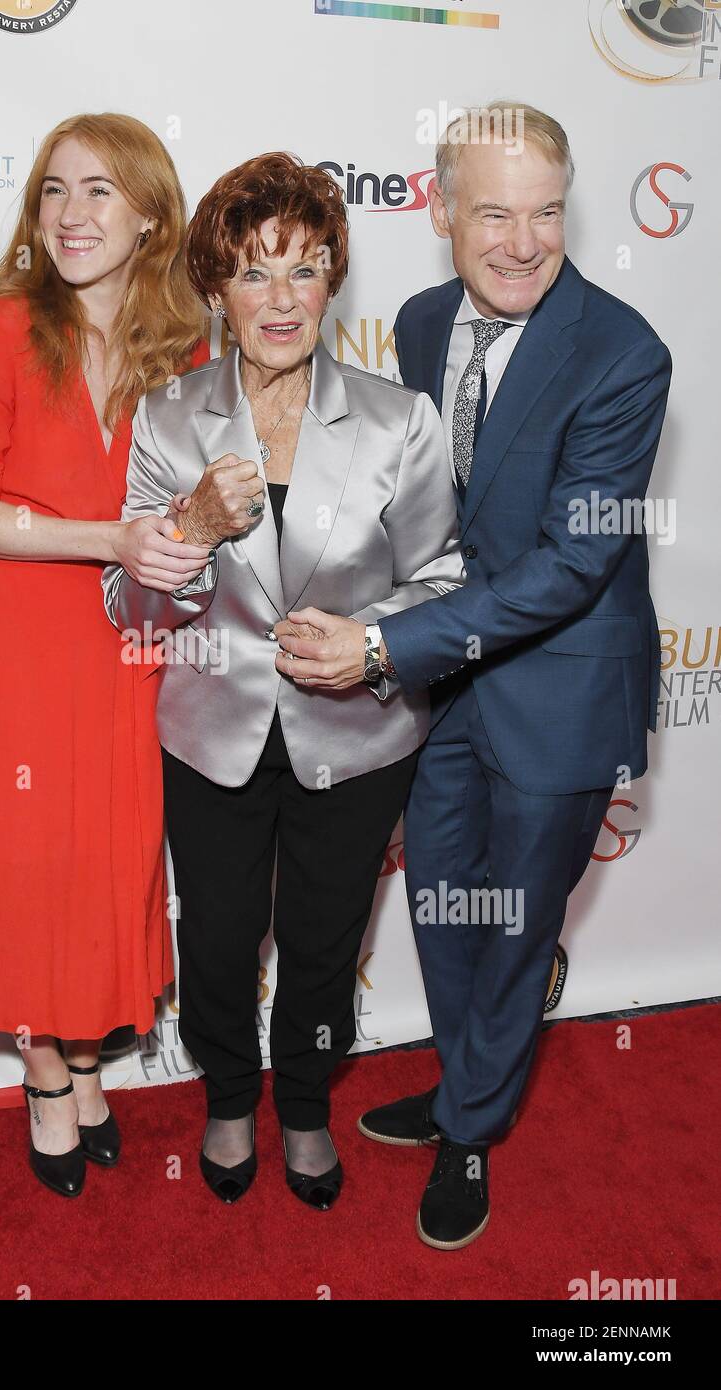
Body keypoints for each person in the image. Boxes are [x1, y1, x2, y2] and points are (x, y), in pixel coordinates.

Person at [102, 152, 463, 1210]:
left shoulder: (398, 420)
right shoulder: (168, 417)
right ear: (214, 288)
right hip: (210, 727)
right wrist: (186, 531)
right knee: (213, 934)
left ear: (330, 284)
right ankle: (226, 1096)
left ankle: (302, 1103)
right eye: (254, 273)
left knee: (319, 937)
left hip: (354, 734)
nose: (279, 298)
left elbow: (444, 582)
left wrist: (369, 642)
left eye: (304, 270)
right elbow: (131, 611)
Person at [344, 102, 672, 1250]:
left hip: (557, 689)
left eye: (544, 213)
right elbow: (426, 515)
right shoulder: (424, 318)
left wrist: (385, 647)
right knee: (442, 900)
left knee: (518, 920)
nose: (523, 242)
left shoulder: (623, 352)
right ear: (438, 210)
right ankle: (461, 1081)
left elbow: (573, 563)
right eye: (492, 213)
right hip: (445, 693)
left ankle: (470, 1127)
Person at [0, 113, 211, 1199]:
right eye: (53, 191)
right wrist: (105, 536)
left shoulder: (180, 346)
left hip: (128, 638)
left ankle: (90, 1052)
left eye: (99, 191)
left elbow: (187, 506)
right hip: (18, 637)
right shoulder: (4, 328)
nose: (71, 214)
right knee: (25, 852)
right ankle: (45, 1069)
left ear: (147, 215)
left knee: (109, 849)